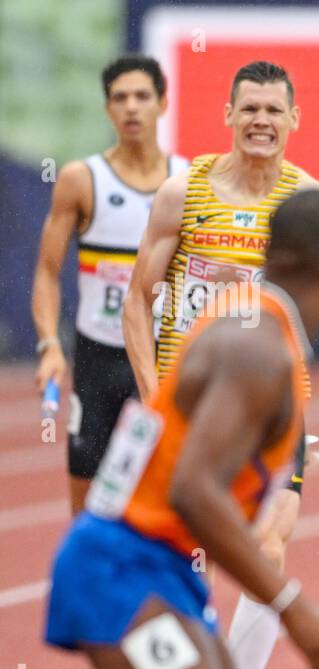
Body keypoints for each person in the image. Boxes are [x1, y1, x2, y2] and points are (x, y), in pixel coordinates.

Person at [44, 189, 319, 669]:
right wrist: (291, 606)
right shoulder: (258, 350)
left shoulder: (252, 322)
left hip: (156, 566)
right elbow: (193, 489)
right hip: (120, 568)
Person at [121, 60, 319, 669]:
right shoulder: (184, 193)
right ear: (228, 114)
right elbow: (138, 299)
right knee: (169, 551)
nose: (261, 120)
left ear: (294, 119)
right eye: (249, 108)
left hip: (273, 407)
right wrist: (150, 389)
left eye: (273, 110)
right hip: (188, 401)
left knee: (270, 548)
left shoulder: (312, 204)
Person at [30, 55, 188, 513]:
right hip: (98, 357)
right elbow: (46, 271)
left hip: (162, 355)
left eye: (142, 96)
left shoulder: (188, 180)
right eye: (120, 98)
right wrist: (49, 345)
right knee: (87, 495)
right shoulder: (81, 180)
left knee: (163, 491)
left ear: (162, 103)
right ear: (107, 109)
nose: (131, 107)